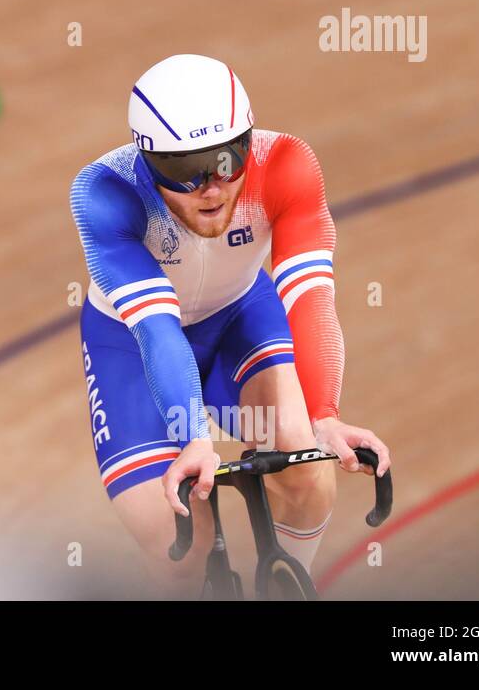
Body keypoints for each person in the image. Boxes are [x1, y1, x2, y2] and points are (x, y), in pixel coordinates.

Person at [69, 53, 390, 596]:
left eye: (224, 160)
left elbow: (310, 297)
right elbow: (156, 328)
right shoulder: (106, 192)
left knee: (304, 456)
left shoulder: (285, 164)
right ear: (146, 161)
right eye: (182, 171)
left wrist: (326, 416)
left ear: (247, 142)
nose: (210, 187)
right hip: (132, 346)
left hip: (240, 315)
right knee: (181, 548)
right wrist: (192, 435)